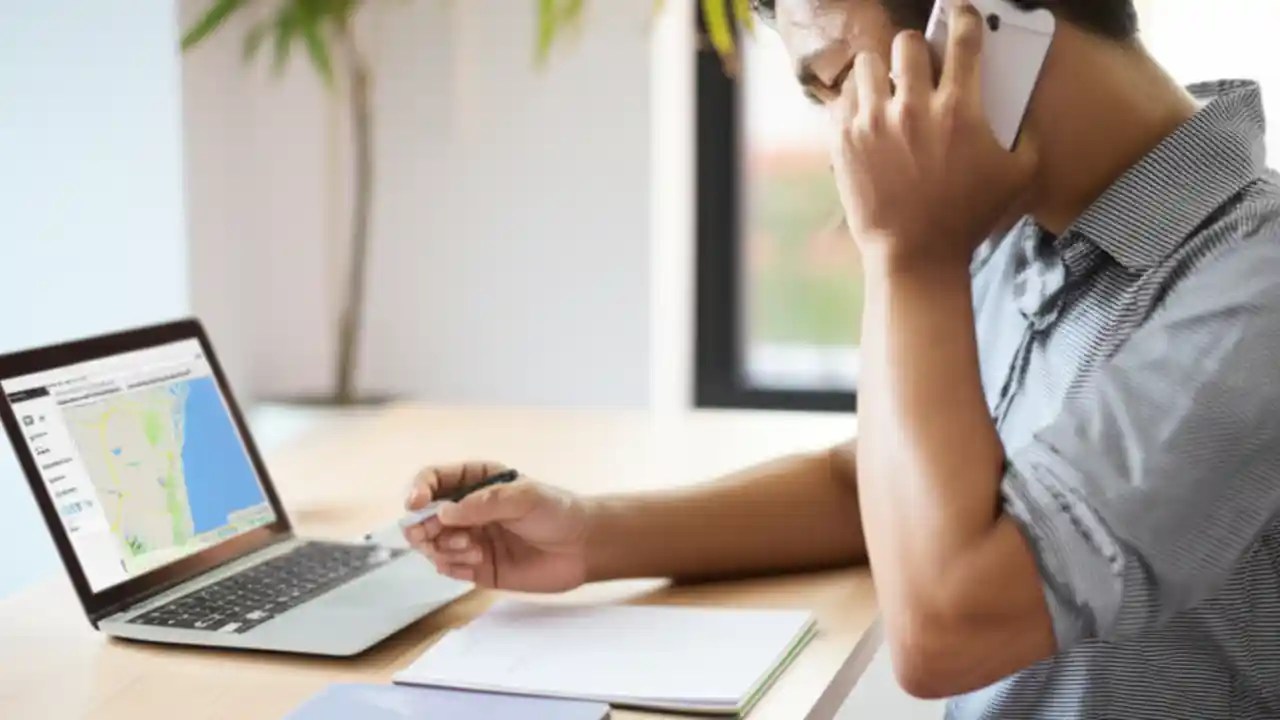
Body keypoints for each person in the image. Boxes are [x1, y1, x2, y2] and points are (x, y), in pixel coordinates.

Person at [404, 0, 1280, 716]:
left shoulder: (1254, 285)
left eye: (836, 83)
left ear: (980, 28)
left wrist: (908, 252)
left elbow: (948, 632)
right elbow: (883, 486)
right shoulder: (1018, 236)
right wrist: (592, 534)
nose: (841, 145)